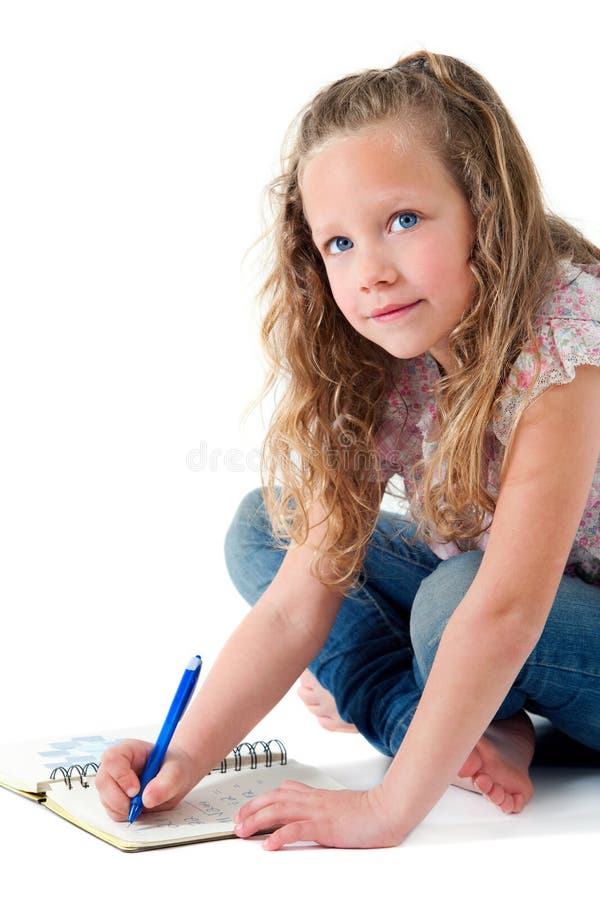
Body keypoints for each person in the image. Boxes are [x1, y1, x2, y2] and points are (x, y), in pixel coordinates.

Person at [96, 51, 600, 849]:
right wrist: (182, 756)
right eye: (337, 243)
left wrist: (384, 810)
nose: (371, 272)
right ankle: (461, 735)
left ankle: (428, 742)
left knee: (456, 601)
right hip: (495, 610)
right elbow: (299, 602)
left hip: (567, 636)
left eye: (402, 220)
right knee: (269, 525)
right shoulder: (385, 356)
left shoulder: (565, 338)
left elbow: (505, 610)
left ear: (484, 207)